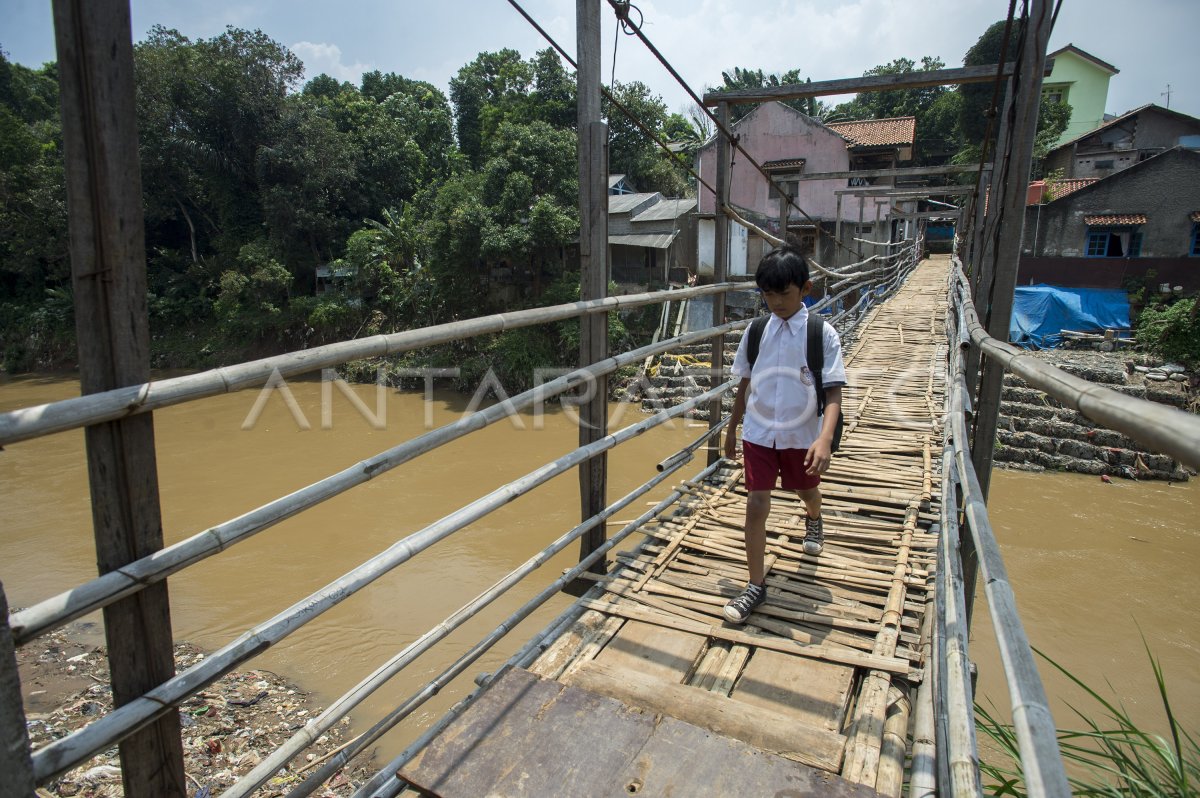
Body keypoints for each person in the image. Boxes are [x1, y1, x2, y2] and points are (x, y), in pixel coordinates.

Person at [721, 244, 846, 624]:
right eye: (768, 294)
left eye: (784, 294)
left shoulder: (821, 334)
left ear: (805, 289)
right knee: (756, 503)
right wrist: (731, 429)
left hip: (801, 435)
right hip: (758, 433)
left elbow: (834, 393)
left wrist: (824, 439)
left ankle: (814, 517)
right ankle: (755, 585)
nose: (775, 302)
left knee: (806, 490)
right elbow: (745, 384)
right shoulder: (757, 331)